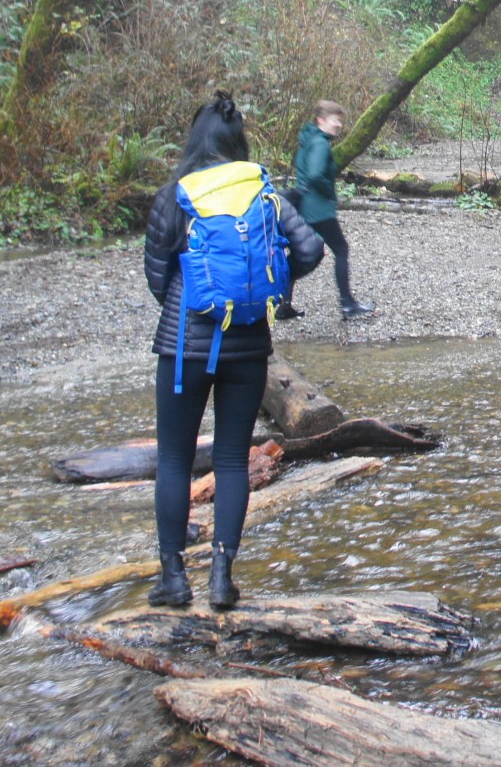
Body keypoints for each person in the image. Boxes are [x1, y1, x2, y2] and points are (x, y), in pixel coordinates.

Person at [143, 91, 324, 609]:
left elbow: (157, 276)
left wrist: (189, 303)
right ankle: (222, 578)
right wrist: (271, 286)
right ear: (237, 142)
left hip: (185, 348)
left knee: (175, 460)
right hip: (248, 348)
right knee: (229, 460)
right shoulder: (263, 195)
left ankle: (173, 579)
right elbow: (310, 249)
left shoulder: (174, 195)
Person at [291, 99, 375, 320]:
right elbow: (315, 174)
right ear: (321, 120)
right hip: (318, 209)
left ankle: (282, 305)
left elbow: (300, 168)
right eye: (335, 120)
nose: (338, 125)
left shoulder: (307, 140)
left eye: (339, 121)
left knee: (295, 255)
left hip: (303, 206)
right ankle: (347, 303)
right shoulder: (320, 144)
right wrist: (329, 192)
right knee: (341, 249)